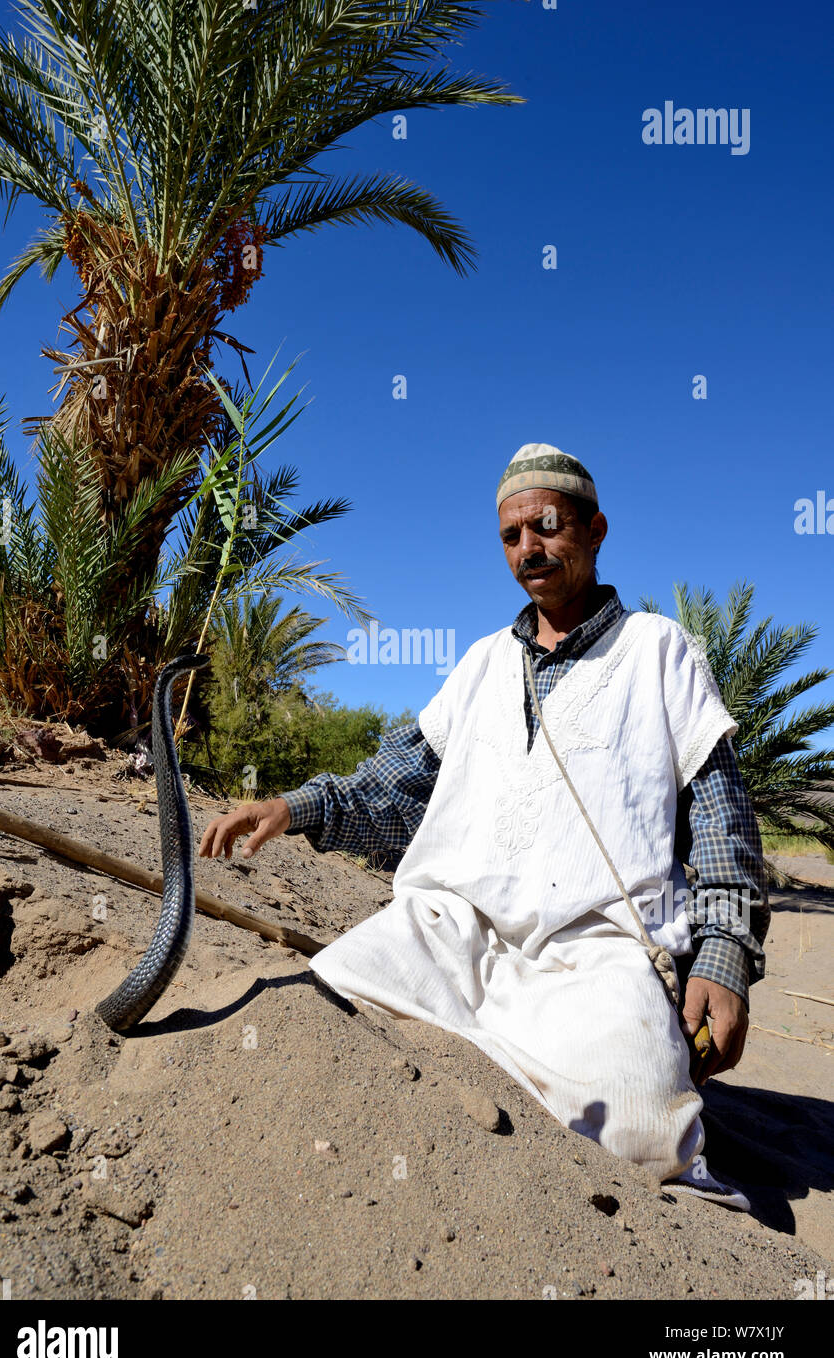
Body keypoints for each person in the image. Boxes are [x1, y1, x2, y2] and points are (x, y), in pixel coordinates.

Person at [200, 444, 769, 1207]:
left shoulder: (658, 651)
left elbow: (720, 819)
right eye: (510, 536)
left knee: (640, 1133)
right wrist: (291, 808)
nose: (527, 548)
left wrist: (723, 958)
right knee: (331, 996)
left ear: (595, 530)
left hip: (596, 953)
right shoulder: (476, 667)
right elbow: (387, 789)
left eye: (546, 526)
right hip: (454, 928)